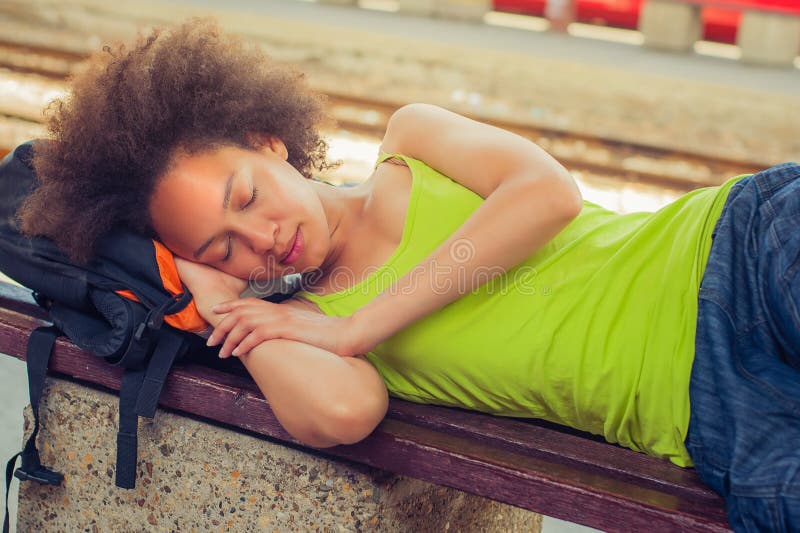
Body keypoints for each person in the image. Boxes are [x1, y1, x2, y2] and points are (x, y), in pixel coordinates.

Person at [14, 18, 798, 532]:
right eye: (222, 248)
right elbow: (345, 411)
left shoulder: (411, 143)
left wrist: (361, 324)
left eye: (246, 197)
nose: (262, 240)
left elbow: (547, 193)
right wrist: (216, 302)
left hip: (735, 252)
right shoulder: (304, 327)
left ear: (269, 140)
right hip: (713, 416)